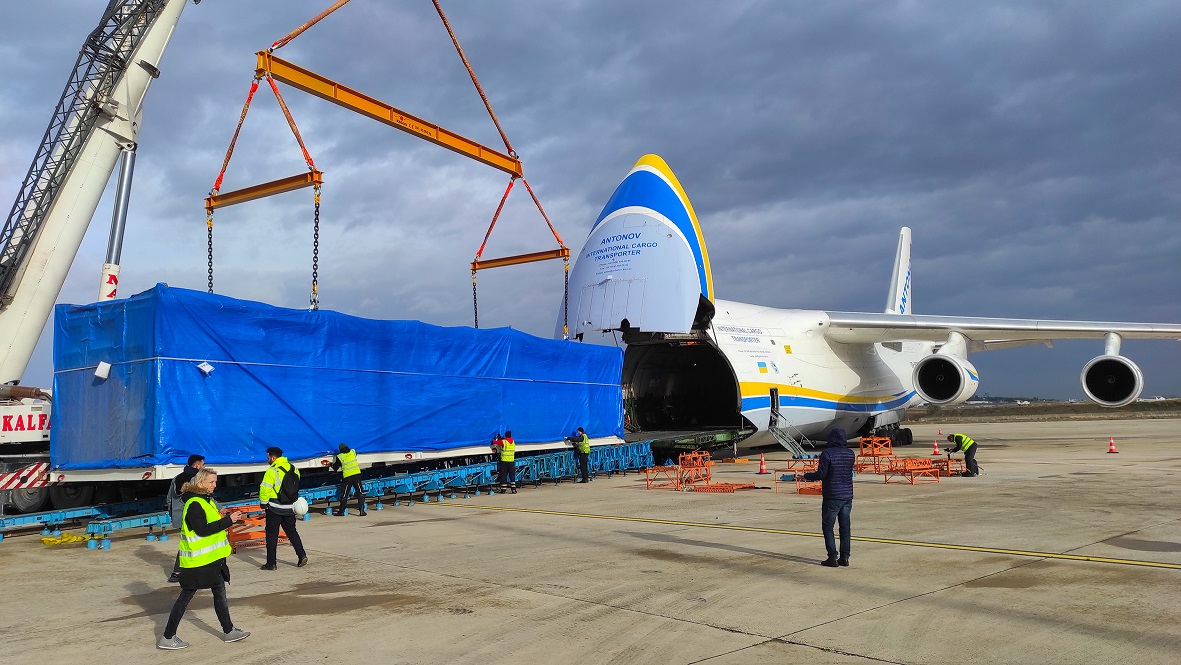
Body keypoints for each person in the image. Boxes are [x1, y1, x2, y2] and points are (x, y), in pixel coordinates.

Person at [157, 468, 249, 649]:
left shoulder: (205, 501)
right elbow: (202, 529)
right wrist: (228, 521)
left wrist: (224, 518)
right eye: (211, 482)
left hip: (212, 560)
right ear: (200, 484)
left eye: (215, 482)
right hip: (198, 562)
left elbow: (209, 525)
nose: (215, 485)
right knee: (186, 596)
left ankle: (229, 631)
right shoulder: (195, 504)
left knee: (219, 591)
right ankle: (168, 637)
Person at [803, 428, 856, 567]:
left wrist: (806, 476)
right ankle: (845, 557)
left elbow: (821, 474)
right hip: (847, 496)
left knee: (828, 527)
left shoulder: (827, 454)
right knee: (845, 527)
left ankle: (832, 556)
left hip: (832, 495)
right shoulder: (851, 454)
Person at [259, 446, 308, 570]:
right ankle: (302, 555)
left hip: (274, 508)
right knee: (292, 532)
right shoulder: (294, 469)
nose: (268, 459)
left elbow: (265, 489)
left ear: (273, 457)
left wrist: (263, 503)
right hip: (290, 508)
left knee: (272, 535)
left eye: (268, 457)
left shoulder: (272, 471)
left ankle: (271, 563)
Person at [167, 454, 205, 583]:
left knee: (188, 543)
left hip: (179, 517)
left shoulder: (176, 478)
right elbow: (202, 498)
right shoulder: (196, 479)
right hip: (191, 517)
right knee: (192, 543)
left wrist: (172, 515)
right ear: (197, 465)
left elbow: (169, 499)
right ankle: (179, 572)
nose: (204, 467)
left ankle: (181, 571)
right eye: (203, 464)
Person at [330, 443, 366, 516]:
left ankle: (341, 511)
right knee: (360, 492)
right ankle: (362, 511)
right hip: (356, 475)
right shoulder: (353, 452)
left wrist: (330, 464)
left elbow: (335, 468)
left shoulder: (340, 457)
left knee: (345, 494)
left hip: (347, 477)